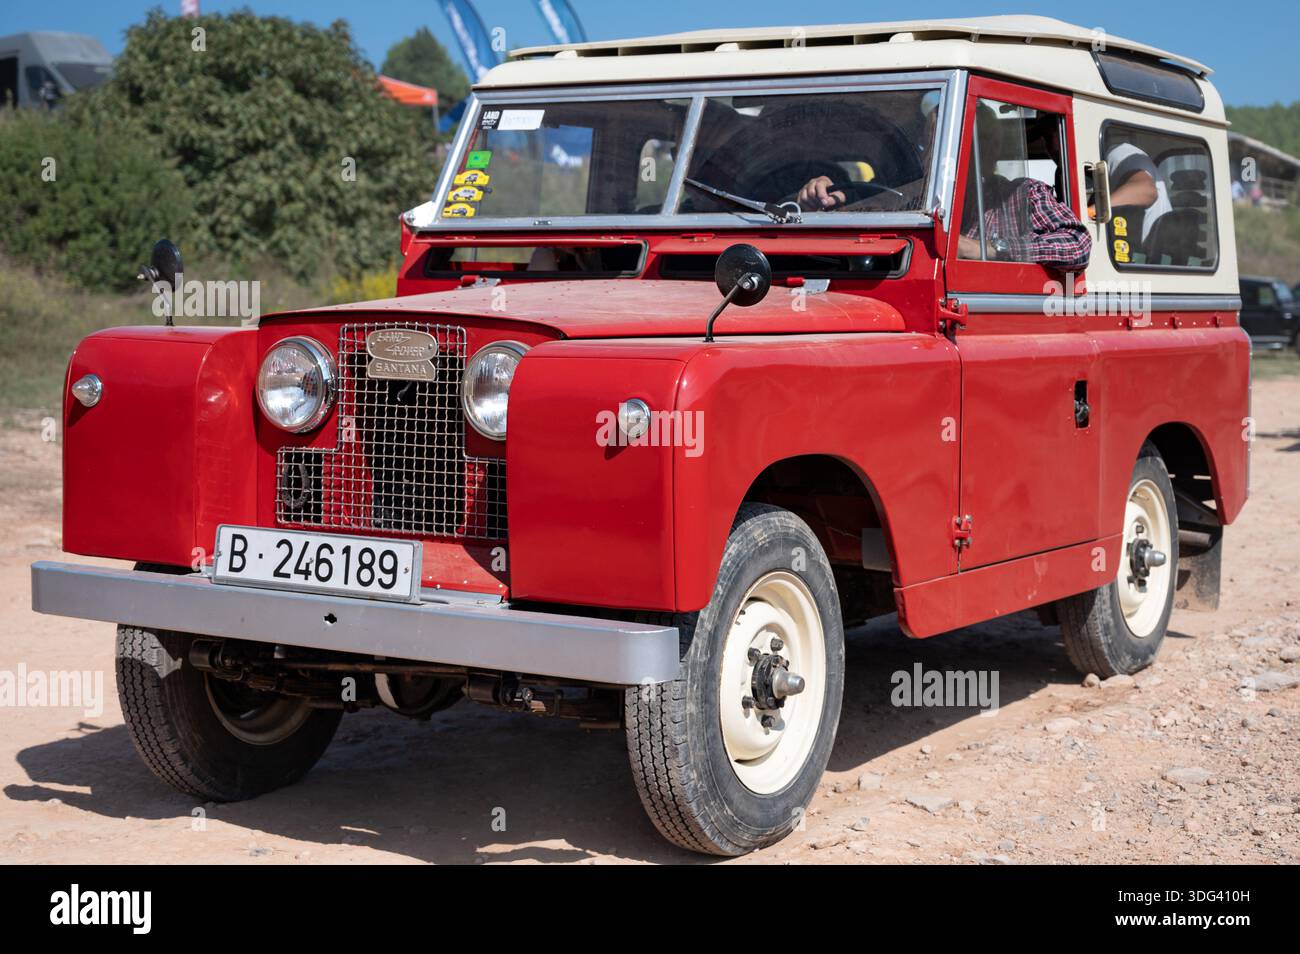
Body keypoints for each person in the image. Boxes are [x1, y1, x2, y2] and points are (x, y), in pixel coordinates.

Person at [955, 107, 1090, 270]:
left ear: (994, 147)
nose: (1054, 143)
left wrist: (987, 248)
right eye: (931, 142)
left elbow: (1077, 245)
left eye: (972, 141)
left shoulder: (1022, 194)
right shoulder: (920, 202)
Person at [795, 90, 941, 212]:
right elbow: (855, 196)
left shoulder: (954, 201)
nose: (932, 151)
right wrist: (820, 194)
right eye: (929, 137)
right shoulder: (892, 186)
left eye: (939, 138)